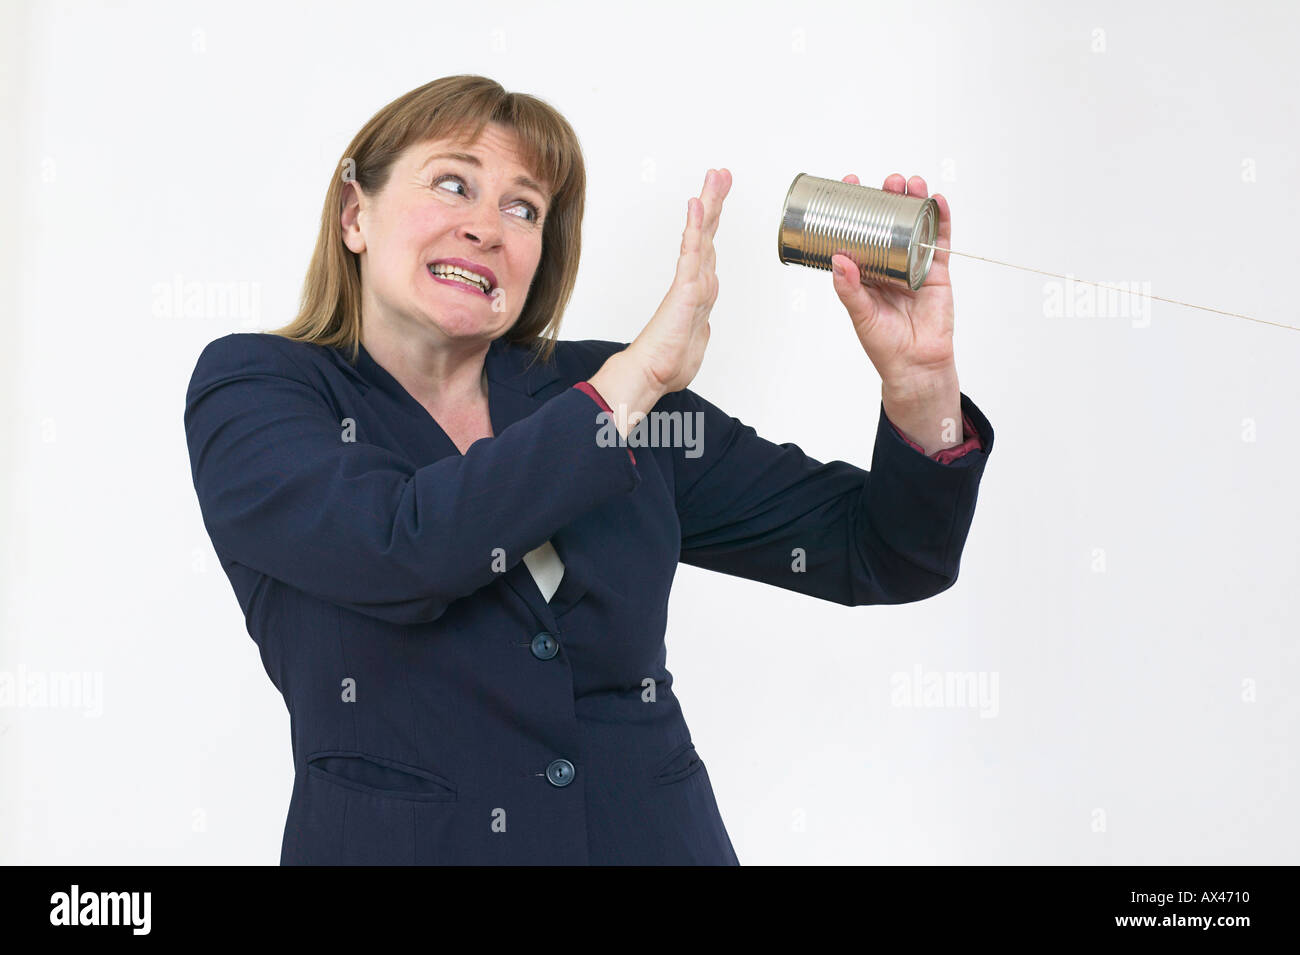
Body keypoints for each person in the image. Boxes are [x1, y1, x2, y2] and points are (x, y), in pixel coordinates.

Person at [182, 74, 994, 865]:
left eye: (523, 207)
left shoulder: (606, 389)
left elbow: (881, 551)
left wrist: (921, 387)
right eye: (453, 184)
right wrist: (633, 383)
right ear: (355, 213)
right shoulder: (258, 390)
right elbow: (403, 545)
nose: (486, 227)